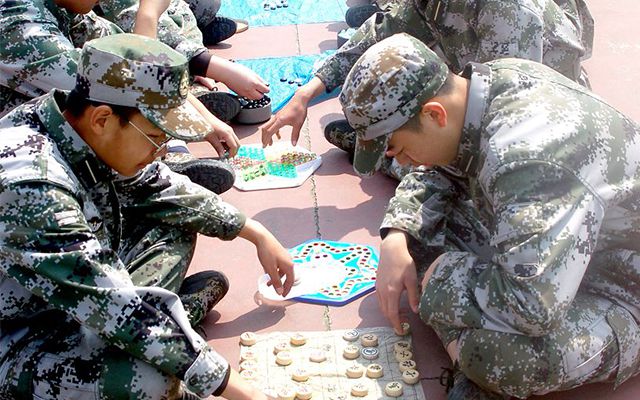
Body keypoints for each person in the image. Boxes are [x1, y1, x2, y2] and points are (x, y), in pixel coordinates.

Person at [339, 33, 640, 399]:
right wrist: (398, 235)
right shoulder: (485, 86)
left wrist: (440, 280)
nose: (400, 162)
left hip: (620, 286)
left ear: (434, 114)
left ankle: (470, 361)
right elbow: (439, 170)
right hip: (568, 252)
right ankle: (462, 341)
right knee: (416, 242)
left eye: (398, 149)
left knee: (497, 356)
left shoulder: (527, 155)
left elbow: (532, 305)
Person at [0, 33, 292, 400]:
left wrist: (254, 231)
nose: (162, 152)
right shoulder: (31, 184)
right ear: (104, 119)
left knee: (177, 220)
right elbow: (113, 303)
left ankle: (165, 332)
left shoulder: (71, 121)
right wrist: (232, 386)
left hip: (79, 296)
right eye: (155, 138)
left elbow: (157, 185)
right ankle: (167, 331)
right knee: (151, 383)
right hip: (19, 334)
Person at [261, 0, 594, 179]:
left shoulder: (506, 11)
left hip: (539, 122)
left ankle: (396, 149)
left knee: (452, 198)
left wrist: (404, 223)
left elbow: (507, 115)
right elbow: (381, 34)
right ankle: (395, 142)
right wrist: (306, 93)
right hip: (482, 94)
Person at [0, 0, 268, 192]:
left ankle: (158, 151)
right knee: (113, 110)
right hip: (23, 161)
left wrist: (204, 118)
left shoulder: (62, 7)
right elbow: (124, 84)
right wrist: (147, 18)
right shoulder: (18, 24)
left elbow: (127, 59)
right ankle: (150, 170)